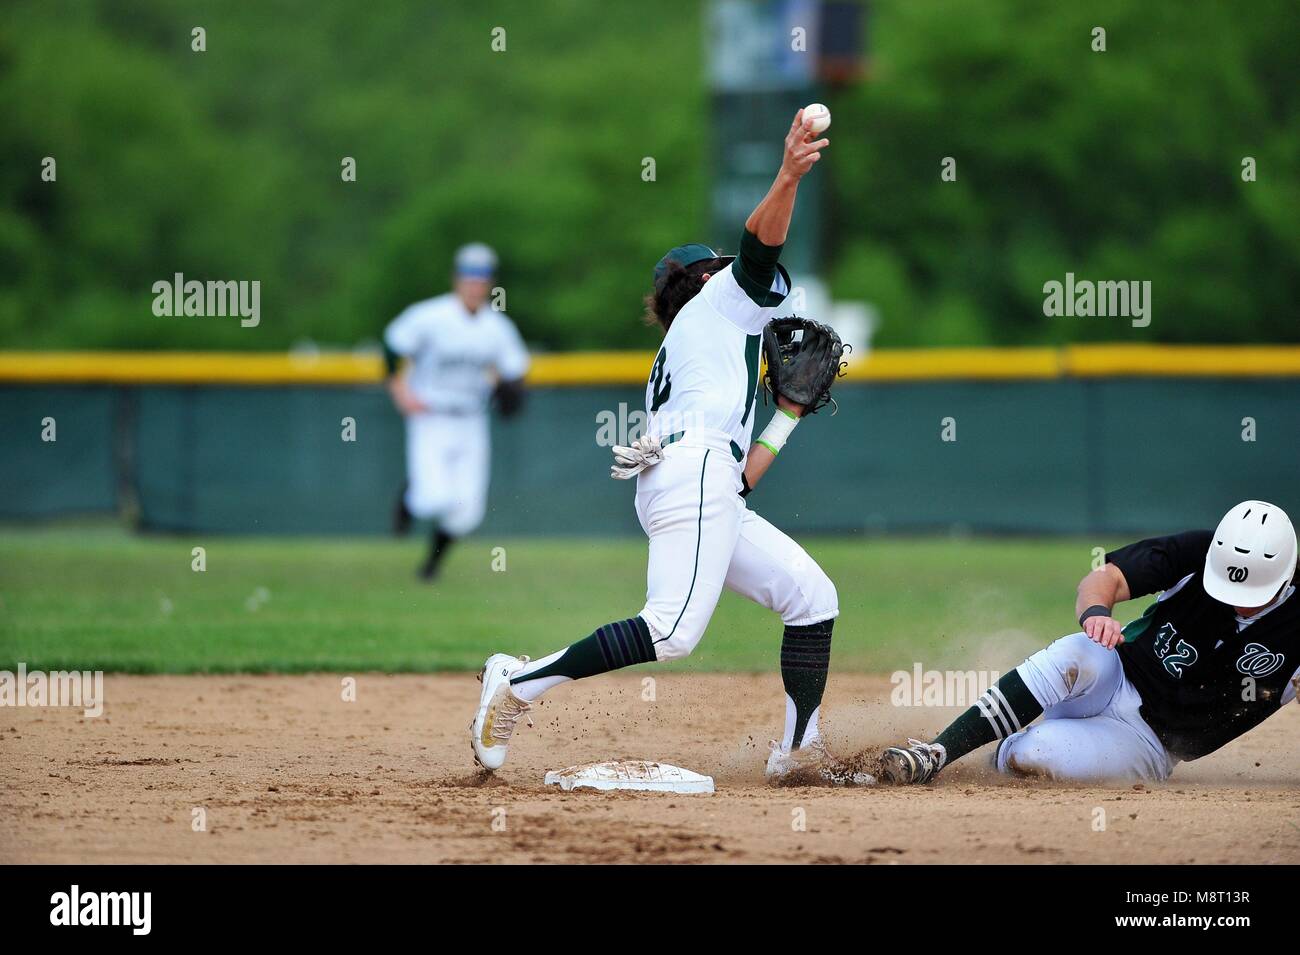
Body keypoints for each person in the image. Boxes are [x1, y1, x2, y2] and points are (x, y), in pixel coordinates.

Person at [469, 110, 868, 784]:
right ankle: (517, 683)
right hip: (693, 469)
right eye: (724, 269)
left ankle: (800, 748)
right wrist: (788, 175)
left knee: (811, 596)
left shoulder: (694, 347)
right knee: (672, 630)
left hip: (697, 474)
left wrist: (789, 414)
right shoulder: (719, 304)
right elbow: (759, 248)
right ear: (708, 280)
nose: (742, 276)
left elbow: (740, 481)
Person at [880, 500, 1300, 784]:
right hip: (1113, 676)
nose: (1233, 601)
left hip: (1148, 744)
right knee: (1078, 653)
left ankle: (1004, 747)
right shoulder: (1199, 551)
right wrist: (1098, 614)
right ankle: (937, 753)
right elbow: (1106, 576)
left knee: (1035, 754)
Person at [383, 243, 528, 580]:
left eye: (482, 278)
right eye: (469, 277)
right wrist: (399, 391)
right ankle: (408, 498)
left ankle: (430, 565)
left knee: (467, 513)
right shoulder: (431, 315)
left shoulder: (497, 327)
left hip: (471, 420)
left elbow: (514, 370)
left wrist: (509, 389)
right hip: (431, 416)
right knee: (433, 499)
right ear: (456, 279)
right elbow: (393, 344)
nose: (475, 285)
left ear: (490, 283)